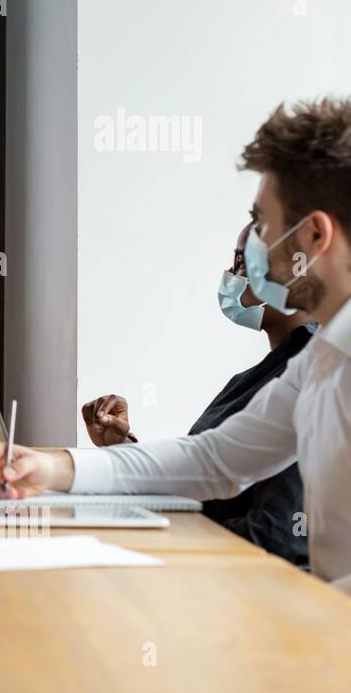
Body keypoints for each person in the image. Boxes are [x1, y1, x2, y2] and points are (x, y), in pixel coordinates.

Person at [0, 97, 351, 591]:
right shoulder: (320, 361)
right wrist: (48, 466)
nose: (255, 246)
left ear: (315, 235)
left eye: (262, 225)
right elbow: (213, 461)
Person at [80, 223, 315, 564]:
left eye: (241, 261)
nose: (230, 275)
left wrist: (157, 536)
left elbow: (277, 537)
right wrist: (122, 450)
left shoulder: (312, 372)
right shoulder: (253, 377)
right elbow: (206, 473)